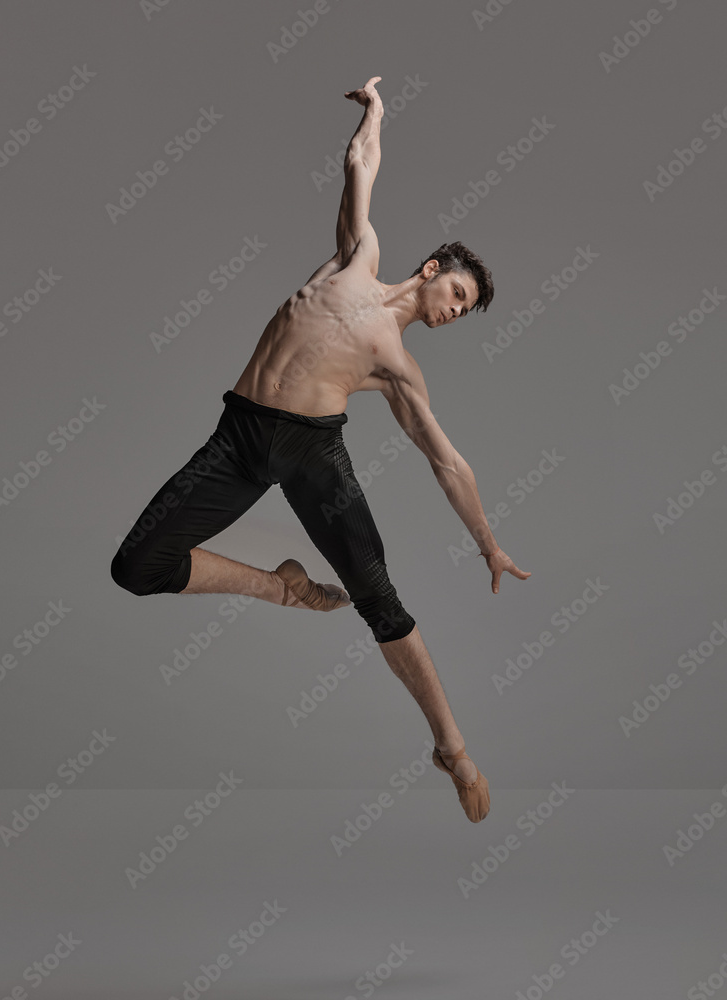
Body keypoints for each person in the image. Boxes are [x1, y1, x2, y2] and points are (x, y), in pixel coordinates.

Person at [110, 76, 531, 822]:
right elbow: (359, 165)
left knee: (380, 600)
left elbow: (446, 460)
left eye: (465, 313)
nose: (455, 314)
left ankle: (452, 748)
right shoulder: (353, 259)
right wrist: (377, 110)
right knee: (137, 566)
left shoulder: (398, 366)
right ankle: (283, 588)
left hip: (312, 455)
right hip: (239, 436)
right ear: (432, 271)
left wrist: (488, 543)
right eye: (458, 298)